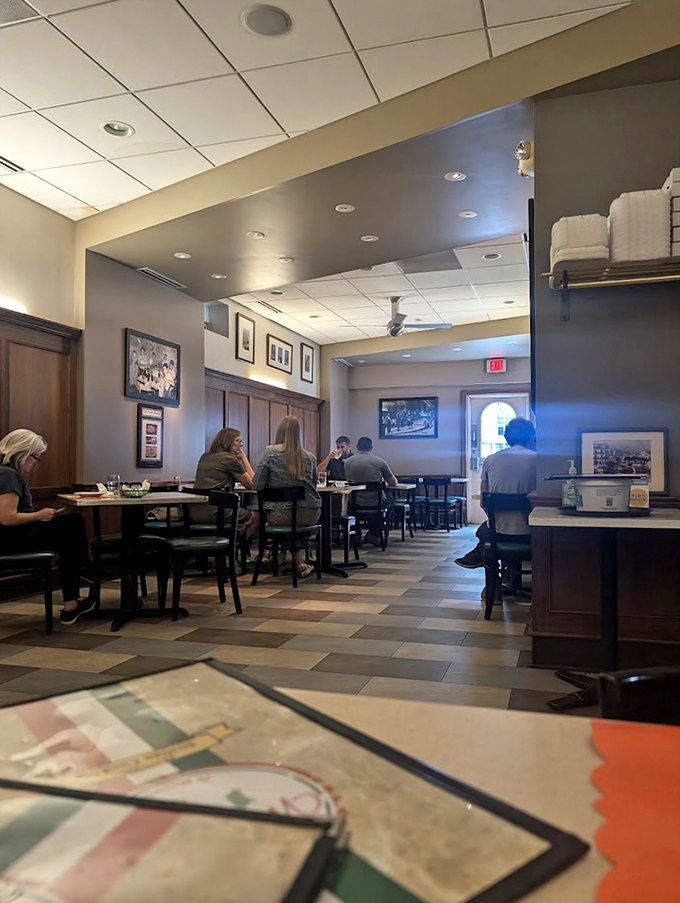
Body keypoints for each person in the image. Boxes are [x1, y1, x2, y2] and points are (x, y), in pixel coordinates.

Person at [0, 429, 96, 625]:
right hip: (11, 539)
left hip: (10, 538)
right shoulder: (8, 474)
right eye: (36, 457)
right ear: (23, 453)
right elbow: (7, 518)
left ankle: (72, 603)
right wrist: (39, 515)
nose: (36, 463)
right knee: (72, 523)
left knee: (67, 539)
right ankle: (84, 571)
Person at [455, 417, 537, 570]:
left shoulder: (490, 460)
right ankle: (508, 575)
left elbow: (484, 503)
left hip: (499, 533)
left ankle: (489, 565)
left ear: (506, 438)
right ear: (532, 437)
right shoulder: (538, 459)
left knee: (483, 530)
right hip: (532, 533)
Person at [252, 416, 321, 578]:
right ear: (299, 434)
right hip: (310, 513)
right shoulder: (310, 458)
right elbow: (314, 483)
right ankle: (298, 561)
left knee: (284, 521)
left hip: (280, 514)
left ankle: (273, 555)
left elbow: (257, 485)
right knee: (292, 520)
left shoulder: (270, 452)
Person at [190, 428, 257, 537]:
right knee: (256, 517)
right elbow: (253, 484)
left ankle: (226, 544)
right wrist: (244, 459)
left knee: (237, 521)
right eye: (237, 441)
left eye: (241, 441)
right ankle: (236, 549)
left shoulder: (205, 456)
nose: (241, 445)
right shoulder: (229, 459)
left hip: (194, 512)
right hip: (217, 512)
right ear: (227, 441)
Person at [344, 436, 397, 546]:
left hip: (355, 502)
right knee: (391, 502)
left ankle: (356, 534)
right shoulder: (379, 462)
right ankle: (374, 533)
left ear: (357, 447)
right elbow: (393, 483)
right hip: (375, 502)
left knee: (349, 509)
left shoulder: (347, 462)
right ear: (371, 447)